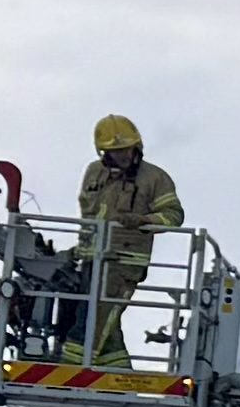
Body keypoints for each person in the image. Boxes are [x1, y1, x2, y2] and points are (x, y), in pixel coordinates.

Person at [73, 113, 184, 368]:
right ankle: (119, 375)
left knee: (93, 321)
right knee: (103, 325)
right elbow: (88, 212)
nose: (123, 155)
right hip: (90, 257)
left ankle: (74, 370)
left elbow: (174, 216)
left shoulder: (154, 178)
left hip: (124, 262)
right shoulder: (93, 172)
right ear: (104, 153)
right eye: (116, 151)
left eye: (126, 149)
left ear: (137, 146)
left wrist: (144, 221)